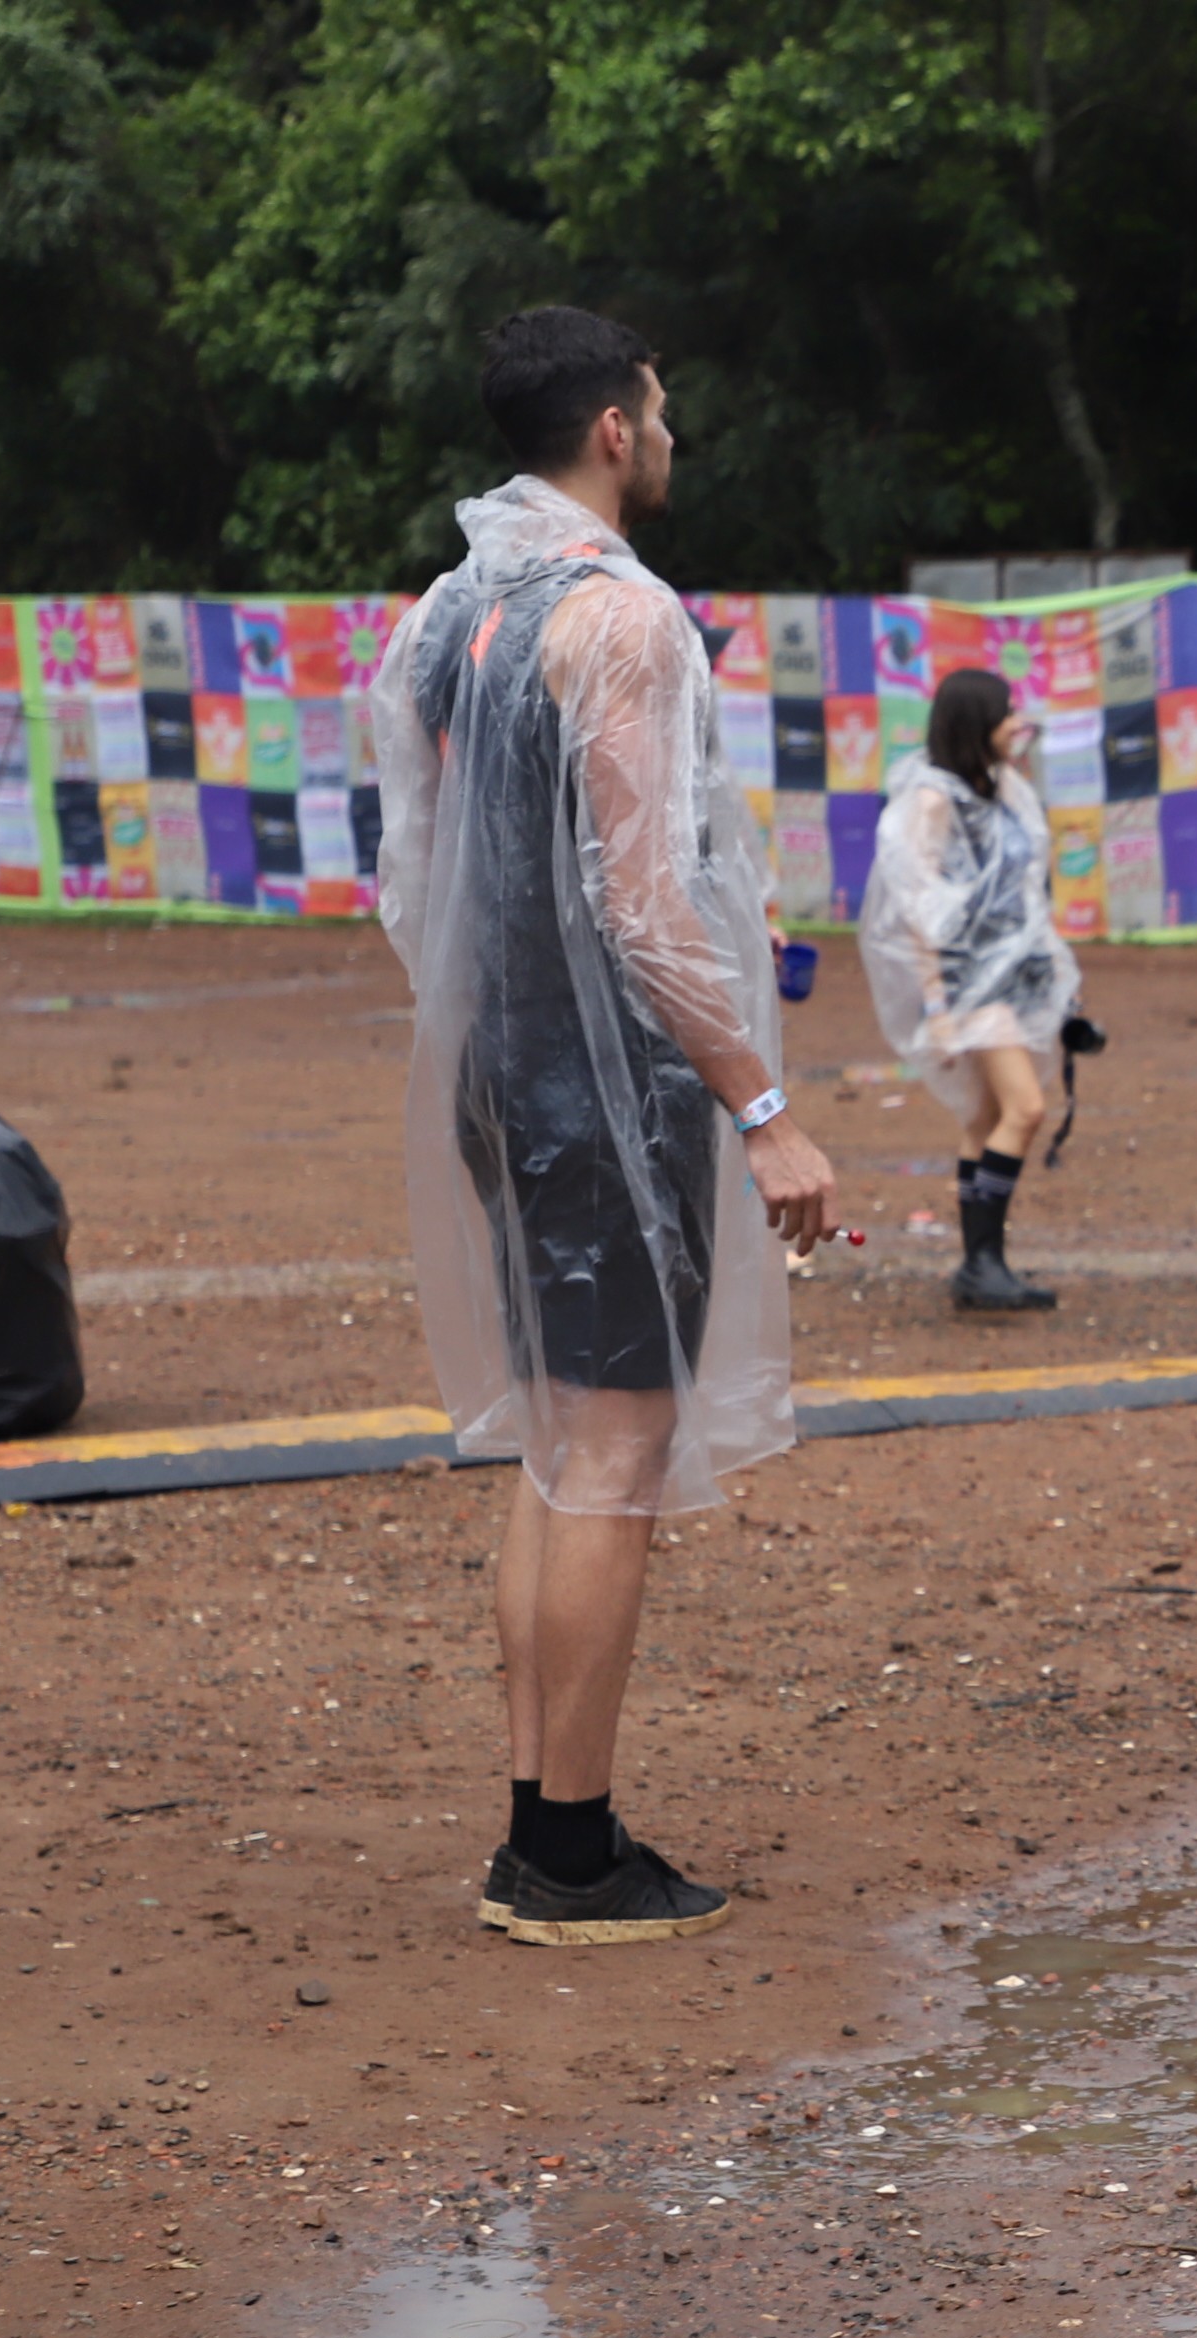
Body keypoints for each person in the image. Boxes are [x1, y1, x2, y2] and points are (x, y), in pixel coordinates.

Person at [370, 307, 834, 1948]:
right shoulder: (619, 621)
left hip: (503, 1066)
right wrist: (761, 1107)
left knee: (564, 1442)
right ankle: (569, 1852)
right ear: (619, 430)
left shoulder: (456, 611)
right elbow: (642, 908)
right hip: (607, 1091)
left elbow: (419, 866)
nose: (672, 424)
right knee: (618, 1454)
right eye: (665, 398)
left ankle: (542, 1821)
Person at [857, 666, 1078, 1312]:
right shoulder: (932, 803)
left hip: (1013, 974)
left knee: (985, 1117)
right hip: (967, 980)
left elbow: (1025, 887)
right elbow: (916, 912)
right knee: (1025, 1110)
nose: (1019, 725)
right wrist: (938, 1007)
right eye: (1008, 714)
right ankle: (983, 1262)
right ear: (976, 723)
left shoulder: (1004, 789)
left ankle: (981, 1264)